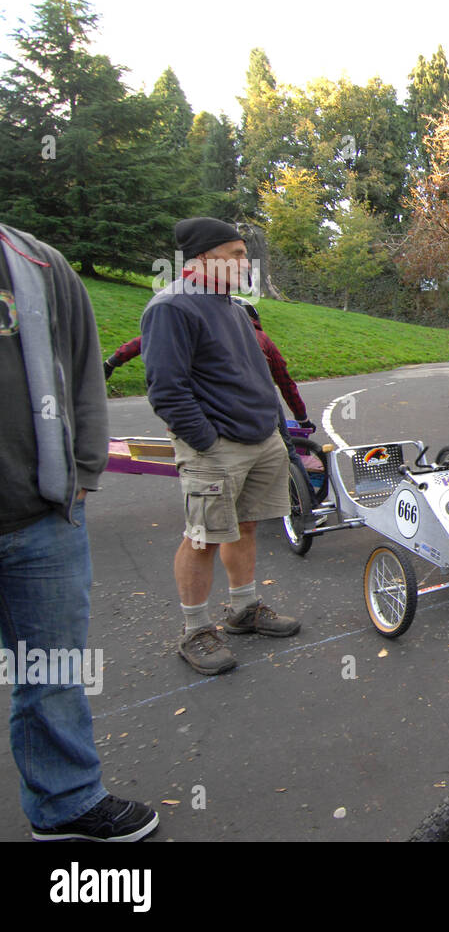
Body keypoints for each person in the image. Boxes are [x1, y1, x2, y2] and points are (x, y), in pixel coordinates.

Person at [0, 223, 159, 841]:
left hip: (40, 517)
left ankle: (65, 802)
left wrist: (86, 466)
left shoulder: (38, 264)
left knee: (52, 671)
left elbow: (85, 367)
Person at [141, 217, 300, 677]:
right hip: (216, 447)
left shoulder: (231, 305)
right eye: (234, 254)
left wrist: (277, 432)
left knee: (245, 526)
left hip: (260, 439)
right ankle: (195, 630)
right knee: (203, 537)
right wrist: (206, 442)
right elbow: (166, 389)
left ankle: (243, 609)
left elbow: (255, 373)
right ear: (204, 258)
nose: (243, 262)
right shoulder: (172, 307)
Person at [105, 302, 314, 432]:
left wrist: (112, 362)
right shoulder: (261, 338)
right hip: (259, 405)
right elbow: (285, 381)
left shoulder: (198, 326)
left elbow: (144, 341)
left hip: (209, 408)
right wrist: (302, 418)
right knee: (286, 452)